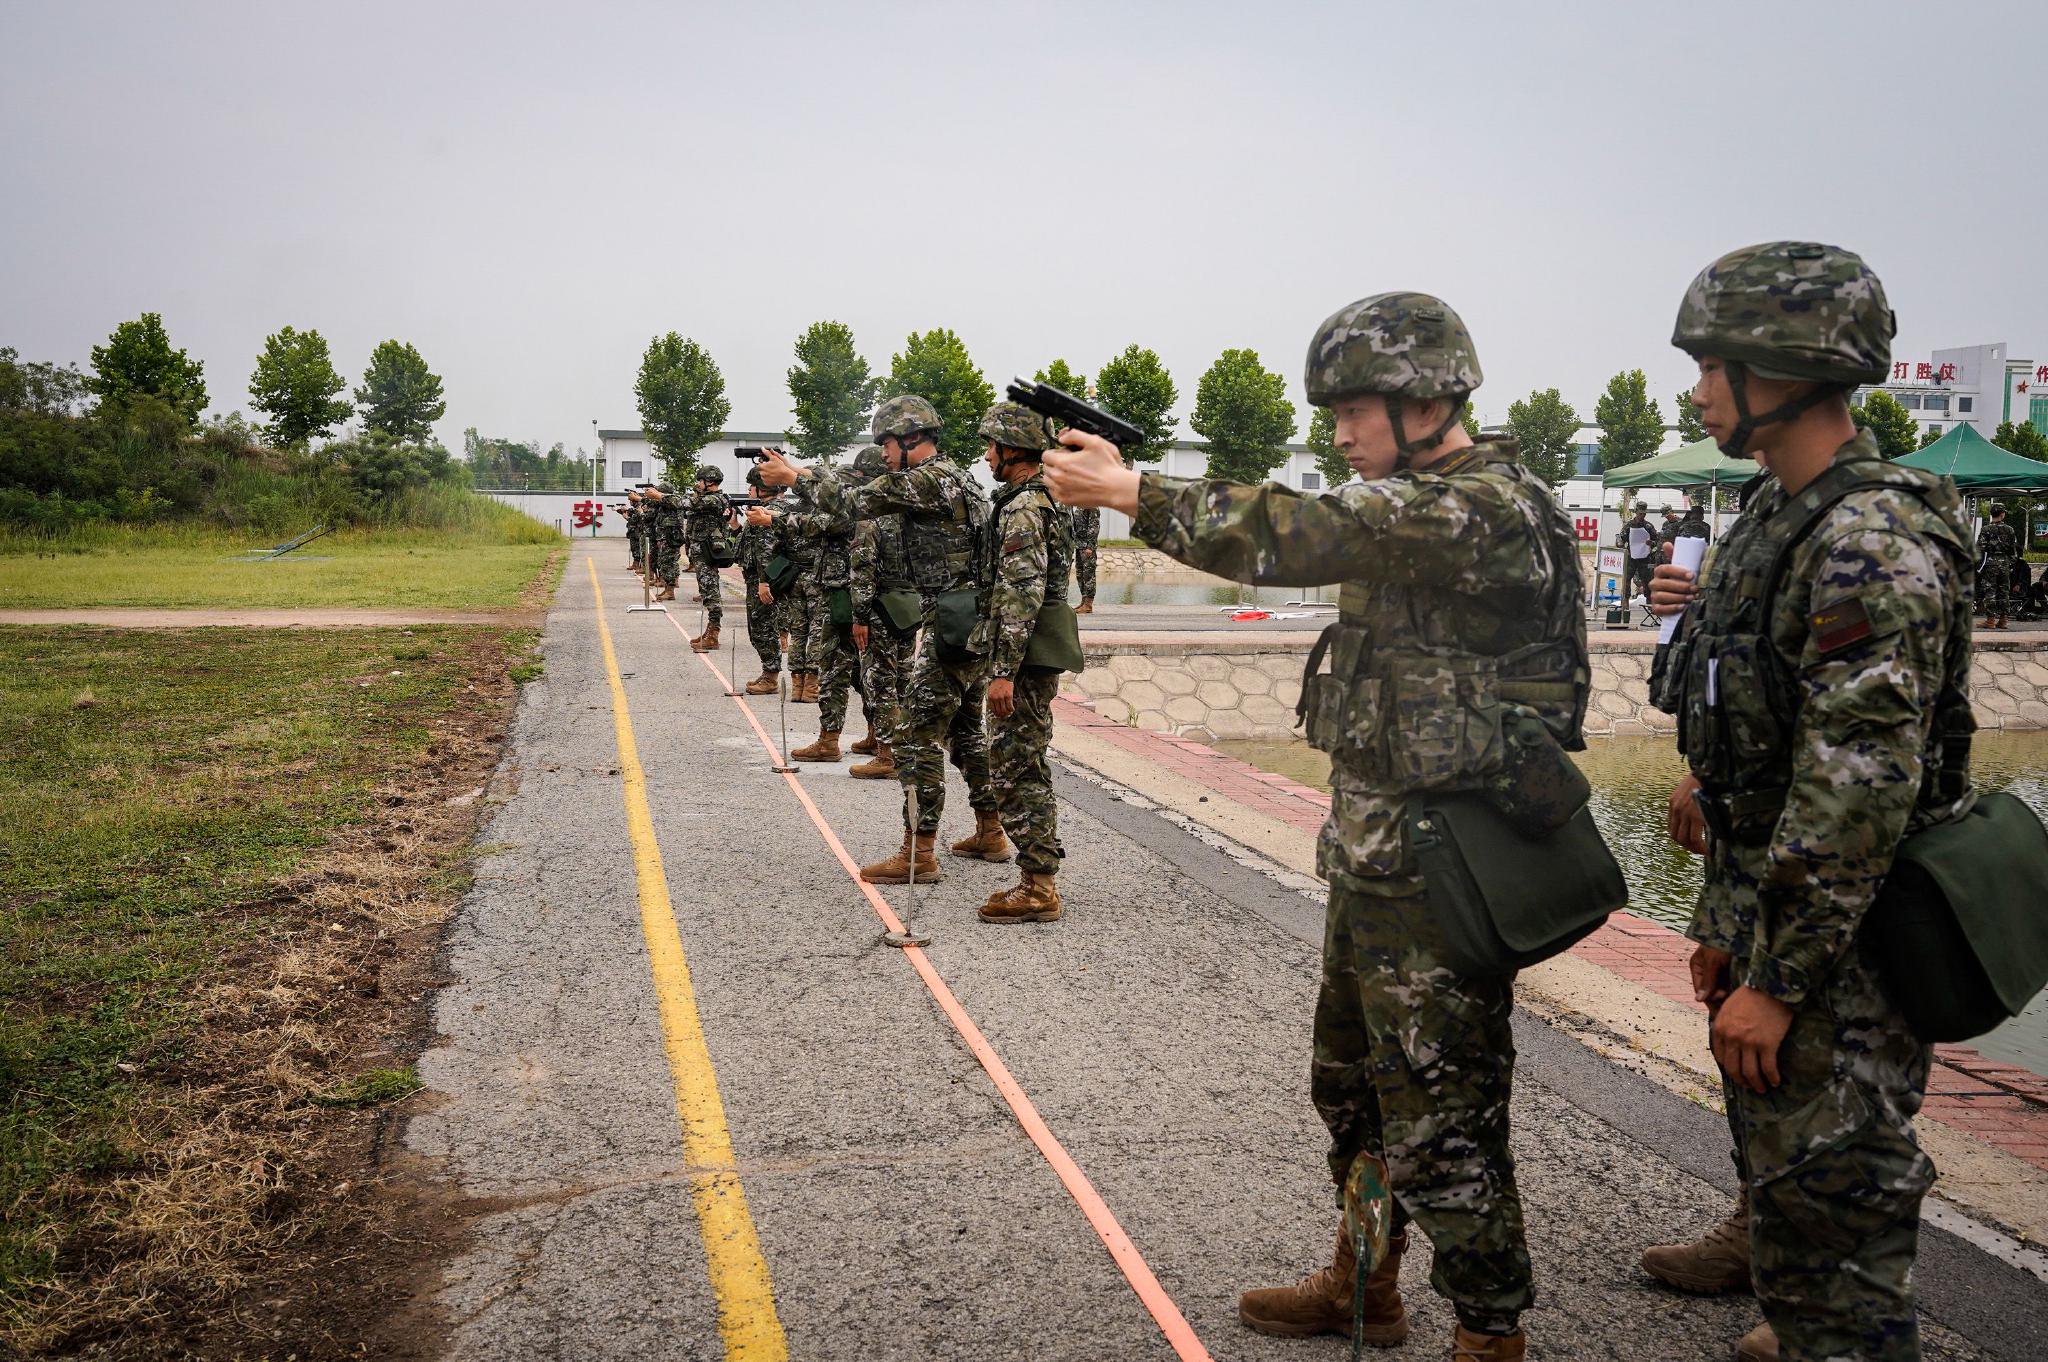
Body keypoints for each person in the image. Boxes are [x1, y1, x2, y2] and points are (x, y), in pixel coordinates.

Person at [1046, 293, 1587, 1362]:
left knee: (1443, 1106)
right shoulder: (1424, 497)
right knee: (1350, 1087)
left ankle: (1488, 1330)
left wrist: (1132, 492)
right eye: (1331, 411)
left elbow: (1308, 531)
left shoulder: (1481, 505)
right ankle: (1363, 1279)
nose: (1336, 432)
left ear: (1426, 398)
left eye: (1353, 408)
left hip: (1450, 866)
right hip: (1383, 857)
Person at [1643, 241, 1975, 1362]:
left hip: (1845, 955)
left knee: (1840, 1224)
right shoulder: (1780, 515)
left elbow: (1856, 794)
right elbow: (1765, 724)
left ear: (1781, 373)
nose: (1695, 391)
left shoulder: (1865, 543)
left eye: (1711, 366)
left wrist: (1777, 977)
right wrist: (1727, 930)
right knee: (1790, 1188)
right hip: (1775, 918)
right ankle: (1786, 1302)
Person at [769, 396, 1006, 881]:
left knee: (917, 740)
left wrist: (795, 478)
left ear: (911, 439)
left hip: (950, 628)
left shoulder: (928, 481)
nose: (884, 453)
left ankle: (918, 853)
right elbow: (860, 499)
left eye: (887, 443)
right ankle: (990, 829)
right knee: (964, 734)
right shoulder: (957, 479)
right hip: (970, 625)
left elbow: (852, 503)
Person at [972, 403, 1076, 923]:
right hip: (1030, 653)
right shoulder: (1039, 500)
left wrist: (1002, 671)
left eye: (993, 445)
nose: (987, 455)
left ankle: (1039, 886)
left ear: (1014, 449)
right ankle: (1038, 876)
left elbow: (1021, 593)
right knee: (1022, 760)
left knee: (1017, 766)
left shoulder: (1024, 509)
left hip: (1025, 658)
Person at [787, 455, 860, 760]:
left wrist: (790, 479)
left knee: (839, 670)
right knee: (861, 675)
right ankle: (864, 739)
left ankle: (834, 741)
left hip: (846, 598)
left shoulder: (848, 512)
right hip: (849, 596)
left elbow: (818, 522)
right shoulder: (866, 507)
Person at [847, 445, 914, 777]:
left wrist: (859, 617)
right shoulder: (909, 511)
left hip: (879, 609)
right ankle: (905, 749)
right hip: (909, 608)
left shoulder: (871, 516)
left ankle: (887, 755)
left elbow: (863, 569)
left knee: (880, 681)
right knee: (903, 680)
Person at [747, 472, 821, 700]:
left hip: (795, 578)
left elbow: (774, 539)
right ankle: (811, 686)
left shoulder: (793, 510)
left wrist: (765, 579)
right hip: (817, 577)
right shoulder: (823, 511)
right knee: (817, 632)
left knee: (799, 632)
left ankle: (798, 686)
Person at [737, 468, 786, 696]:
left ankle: (771, 676)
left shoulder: (771, 511)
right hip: (756, 577)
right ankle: (769, 672)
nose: (748, 490)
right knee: (759, 627)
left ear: (763, 488)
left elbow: (767, 550)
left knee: (763, 627)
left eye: (751, 486)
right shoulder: (764, 510)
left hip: (764, 578)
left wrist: (764, 582)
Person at [685, 466, 735, 652]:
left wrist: (659, 496)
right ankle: (710, 631)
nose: (698, 484)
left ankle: (713, 633)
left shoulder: (713, 499)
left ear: (710, 482)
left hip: (708, 552)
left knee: (711, 591)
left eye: (700, 481)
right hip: (703, 551)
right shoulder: (708, 498)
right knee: (707, 590)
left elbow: (686, 504)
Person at [1976, 501, 2019, 630]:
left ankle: (1990, 621)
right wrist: (2009, 563)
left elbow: (1980, 549)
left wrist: (1978, 566)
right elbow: (2013, 550)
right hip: (2004, 564)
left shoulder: (1986, 529)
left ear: (1992, 514)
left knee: (1990, 591)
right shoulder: (2010, 529)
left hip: (1990, 564)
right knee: (2004, 591)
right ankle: (2003, 620)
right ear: (2002, 514)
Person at [644, 483, 682, 602]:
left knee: (668, 563)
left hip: (670, 537)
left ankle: (670, 591)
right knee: (664, 562)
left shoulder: (671, 501)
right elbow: (650, 502)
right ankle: (667, 589)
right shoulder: (663, 502)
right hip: (664, 537)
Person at [1622, 500, 1657, 614]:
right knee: (1626, 579)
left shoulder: (1648, 526)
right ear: (1636, 512)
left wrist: (1651, 543)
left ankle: (1649, 601)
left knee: (1647, 580)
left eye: (1644, 514)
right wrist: (1619, 542)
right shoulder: (1628, 525)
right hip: (1631, 557)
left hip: (1645, 558)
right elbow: (1620, 538)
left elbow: (1657, 540)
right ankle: (1625, 601)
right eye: (1640, 513)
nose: (1642, 515)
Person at [1071, 505, 1100, 613]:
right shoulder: (1079, 505)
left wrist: (1090, 546)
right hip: (1079, 545)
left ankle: (1088, 604)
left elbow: (1094, 527)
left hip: (1087, 547)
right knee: (1080, 574)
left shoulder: (1092, 505)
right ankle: (1083, 601)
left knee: (1088, 575)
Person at [624, 488, 646, 574]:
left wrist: (627, 517)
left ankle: (638, 564)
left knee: (637, 548)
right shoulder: (636, 507)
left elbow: (635, 519)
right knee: (635, 548)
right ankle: (636, 564)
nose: (630, 502)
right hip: (636, 530)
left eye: (631, 500)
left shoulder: (639, 507)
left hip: (638, 531)